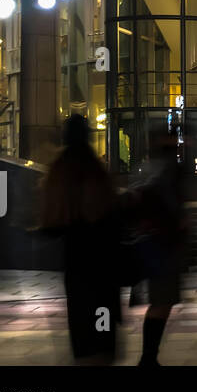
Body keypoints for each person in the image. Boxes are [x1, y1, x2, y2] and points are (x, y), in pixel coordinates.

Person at [41, 114, 121, 364]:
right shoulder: (95, 166)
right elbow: (110, 211)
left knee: (80, 316)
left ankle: (85, 354)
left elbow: (51, 220)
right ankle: (103, 350)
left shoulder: (60, 169)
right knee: (102, 316)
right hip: (102, 259)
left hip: (75, 258)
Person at [130, 121, 186, 366]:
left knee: (162, 302)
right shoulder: (166, 169)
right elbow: (171, 207)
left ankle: (149, 356)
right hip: (164, 245)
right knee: (161, 302)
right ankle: (148, 357)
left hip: (156, 243)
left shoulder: (148, 168)